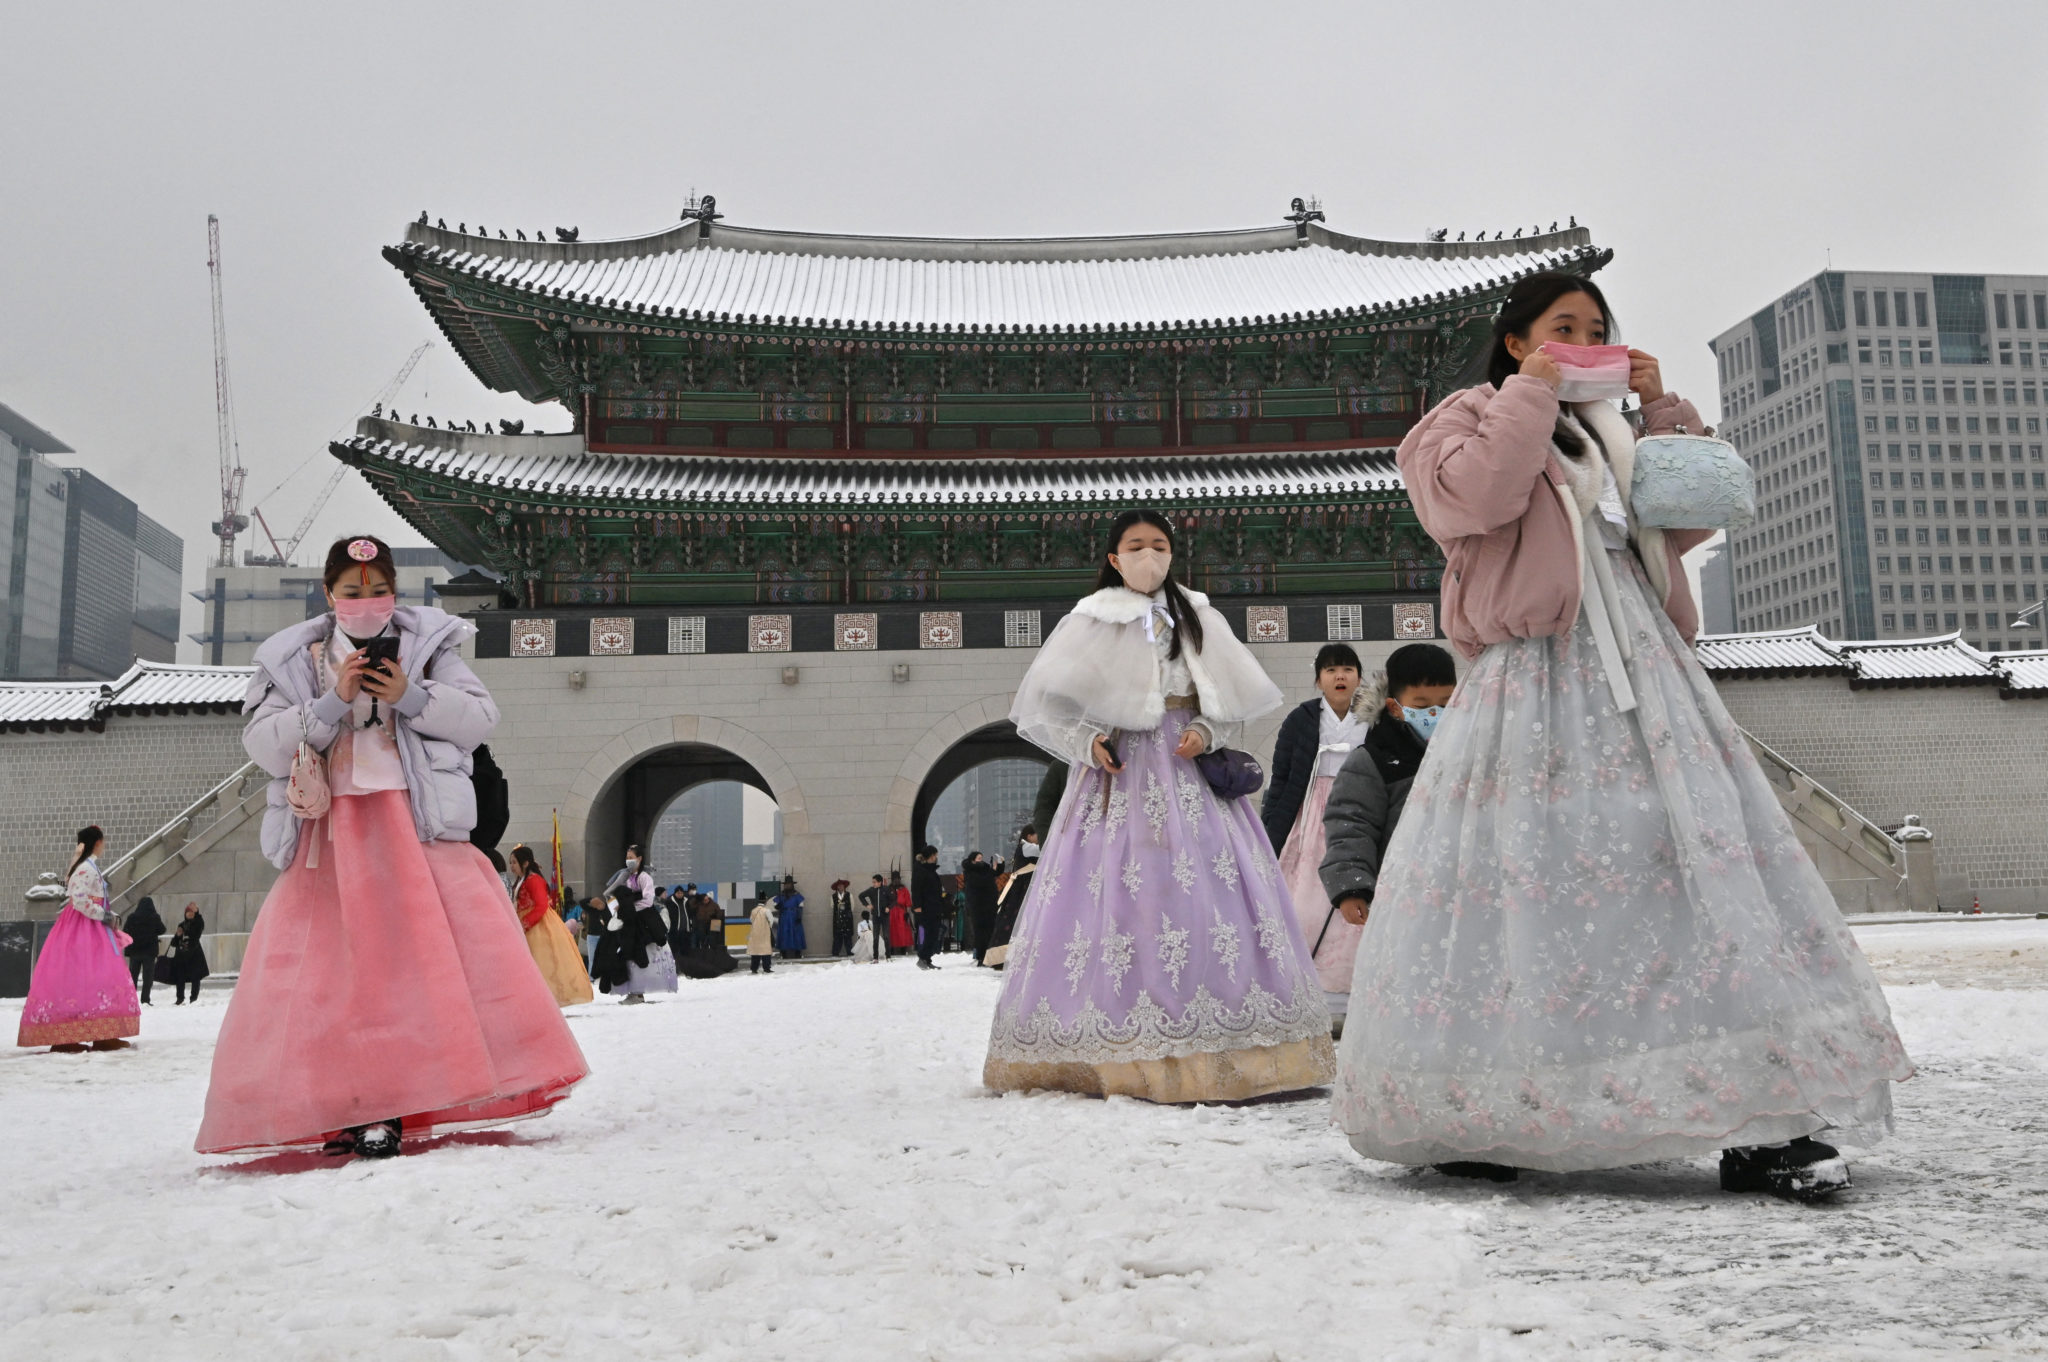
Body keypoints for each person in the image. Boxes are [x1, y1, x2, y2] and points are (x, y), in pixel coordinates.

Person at [1333, 274, 1912, 1199]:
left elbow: (1697, 516)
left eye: (1596, 328)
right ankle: (1489, 1110)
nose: (1582, 339)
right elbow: (1473, 502)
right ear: (1515, 341)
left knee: (1690, 870)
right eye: (1561, 327)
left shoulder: (1615, 429)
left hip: (1646, 667)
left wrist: (1662, 410)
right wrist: (1532, 396)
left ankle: (1763, 1120)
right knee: (1522, 879)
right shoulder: (1463, 421)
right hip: (1530, 672)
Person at [196, 534, 587, 1159]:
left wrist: (410, 694)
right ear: (329, 593)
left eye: (379, 590)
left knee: (432, 966)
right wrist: (332, 701)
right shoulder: (294, 658)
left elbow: (480, 718)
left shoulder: (430, 646)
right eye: (352, 591)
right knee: (330, 976)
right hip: (329, 835)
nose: (367, 601)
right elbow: (263, 744)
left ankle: (403, 1101)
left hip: (418, 826)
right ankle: (345, 1106)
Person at [984, 509, 1334, 1102]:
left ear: (1173, 554)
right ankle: (1108, 1052)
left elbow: (1229, 701)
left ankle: (1229, 1044)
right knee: (1122, 896)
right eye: (1136, 545)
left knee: (1202, 895)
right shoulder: (1090, 619)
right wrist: (1088, 743)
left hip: (1188, 772)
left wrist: (1205, 730)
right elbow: (1054, 707)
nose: (1149, 555)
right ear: (1114, 558)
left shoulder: (1198, 615)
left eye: (1159, 544)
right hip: (1117, 776)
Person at [1312, 644, 1458, 1033]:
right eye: (1422, 705)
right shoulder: (1374, 760)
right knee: (1411, 968)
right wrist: (1351, 886)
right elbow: (1350, 822)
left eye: (1446, 704)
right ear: (1394, 706)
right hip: (1404, 892)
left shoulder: (1467, 750)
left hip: (1461, 887)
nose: (1436, 714)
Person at [17, 826, 139, 1051]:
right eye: (103, 842)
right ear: (97, 843)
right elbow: (81, 901)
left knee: (99, 978)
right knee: (80, 977)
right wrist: (105, 916)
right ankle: (69, 1038)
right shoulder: (85, 868)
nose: (104, 845)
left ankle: (103, 1033)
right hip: (83, 928)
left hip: (90, 927)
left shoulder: (87, 866)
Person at [1261, 643, 1366, 853]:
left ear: (1359, 679)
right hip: (1311, 805)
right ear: (1318, 681)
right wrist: (1271, 820)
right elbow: (1281, 775)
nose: (1340, 676)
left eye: (1348, 669)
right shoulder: (1300, 719)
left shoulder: (1374, 719)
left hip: (1361, 800)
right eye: (1331, 670)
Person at [511, 844, 594, 1007]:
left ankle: (541, 999)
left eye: (514, 862)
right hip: (528, 923)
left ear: (525, 863)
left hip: (538, 927)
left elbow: (541, 906)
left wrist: (524, 924)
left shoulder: (534, 880)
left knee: (542, 962)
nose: (512, 866)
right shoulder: (522, 880)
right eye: (511, 863)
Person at [600, 845, 676, 1005]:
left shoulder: (644, 878)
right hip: (629, 921)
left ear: (639, 859)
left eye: (631, 857)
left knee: (642, 955)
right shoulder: (625, 877)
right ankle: (634, 991)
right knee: (628, 955)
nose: (628, 860)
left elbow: (648, 900)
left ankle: (638, 992)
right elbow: (614, 896)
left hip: (644, 922)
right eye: (627, 858)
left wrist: (629, 908)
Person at [122, 895, 165, 1007]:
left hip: (135, 952)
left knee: (133, 976)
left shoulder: (132, 917)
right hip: (149, 952)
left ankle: (132, 1000)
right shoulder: (154, 917)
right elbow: (162, 930)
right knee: (148, 977)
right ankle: (145, 999)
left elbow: (125, 930)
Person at [911, 846, 947, 970]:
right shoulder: (920, 870)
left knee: (934, 933)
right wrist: (917, 906)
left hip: (934, 906)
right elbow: (916, 890)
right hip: (926, 908)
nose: (936, 857)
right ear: (931, 856)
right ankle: (922, 958)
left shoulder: (931, 870)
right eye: (935, 855)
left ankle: (927, 959)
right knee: (928, 933)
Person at [961, 853, 1000, 965]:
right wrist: (992, 871)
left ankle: (988, 955)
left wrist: (999, 865)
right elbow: (982, 881)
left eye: (982, 858)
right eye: (979, 858)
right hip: (978, 906)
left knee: (990, 930)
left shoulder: (985, 869)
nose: (981, 860)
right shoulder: (970, 871)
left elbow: (994, 874)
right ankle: (980, 956)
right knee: (980, 932)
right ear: (973, 860)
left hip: (989, 904)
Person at [168, 903, 211, 1005]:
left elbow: (199, 926)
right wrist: (178, 935)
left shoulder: (197, 923)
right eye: (188, 913)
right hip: (181, 956)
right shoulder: (181, 925)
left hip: (194, 955)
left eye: (192, 913)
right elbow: (174, 943)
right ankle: (180, 998)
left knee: (195, 977)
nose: (189, 914)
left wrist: (197, 913)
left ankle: (193, 998)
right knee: (180, 978)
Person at [771, 876, 806, 959]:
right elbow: (775, 904)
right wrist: (778, 905)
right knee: (784, 934)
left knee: (796, 934)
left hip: (794, 917)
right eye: (786, 884)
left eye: (789, 884)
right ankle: (783, 953)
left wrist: (799, 916)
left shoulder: (797, 895)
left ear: (792, 885)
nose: (787, 886)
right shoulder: (781, 895)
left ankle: (798, 953)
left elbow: (801, 906)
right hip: (784, 917)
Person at [858, 874, 889, 960]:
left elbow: (893, 899)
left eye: (875, 882)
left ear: (880, 882)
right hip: (875, 917)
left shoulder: (886, 889)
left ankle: (888, 956)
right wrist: (867, 905)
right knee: (875, 938)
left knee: (886, 936)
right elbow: (861, 896)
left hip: (885, 917)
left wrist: (889, 907)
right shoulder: (871, 890)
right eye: (873, 882)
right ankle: (875, 957)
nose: (873, 884)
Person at [887, 871, 914, 958]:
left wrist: (907, 913)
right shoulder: (888, 889)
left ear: (899, 879)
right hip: (891, 912)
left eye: (897, 878)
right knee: (892, 931)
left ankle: (903, 949)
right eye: (894, 879)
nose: (896, 880)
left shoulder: (904, 889)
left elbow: (908, 902)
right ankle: (891, 949)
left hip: (902, 912)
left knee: (903, 931)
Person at [747, 897, 775, 974]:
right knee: (766, 950)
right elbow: (771, 920)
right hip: (765, 932)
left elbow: (751, 920)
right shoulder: (766, 910)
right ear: (765, 902)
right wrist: (768, 927)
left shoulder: (753, 910)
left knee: (755, 951)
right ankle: (766, 968)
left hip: (755, 932)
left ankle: (754, 968)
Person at [829, 879, 855, 957]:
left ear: (844, 887)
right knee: (837, 937)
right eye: (839, 886)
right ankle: (835, 953)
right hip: (837, 919)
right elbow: (832, 906)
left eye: (842, 886)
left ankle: (849, 952)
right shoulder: (833, 896)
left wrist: (847, 914)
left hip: (847, 919)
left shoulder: (849, 895)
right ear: (837, 887)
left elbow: (852, 906)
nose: (841, 887)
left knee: (848, 937)